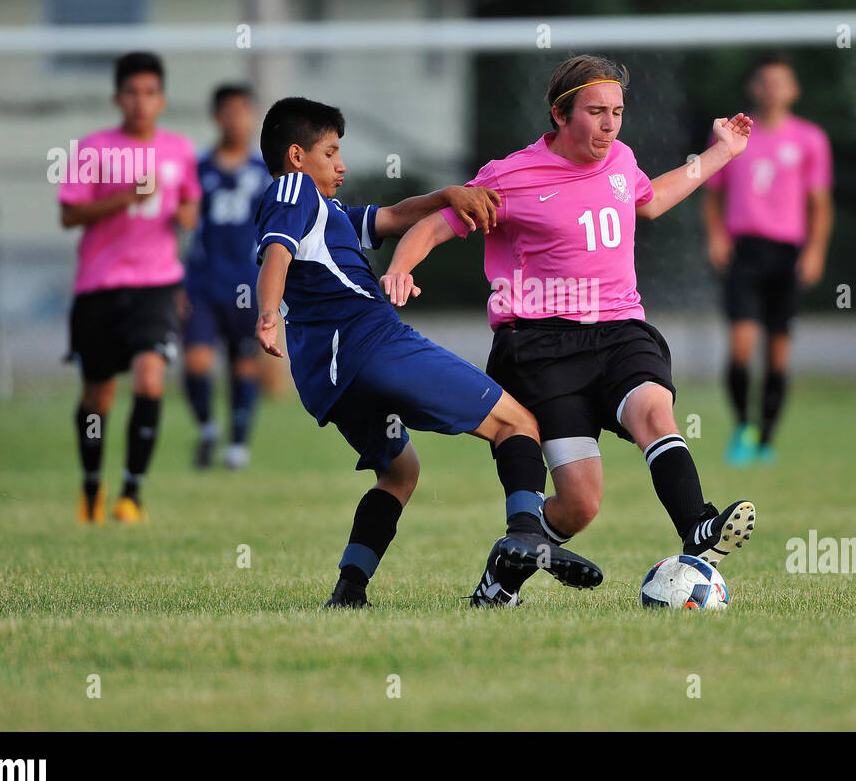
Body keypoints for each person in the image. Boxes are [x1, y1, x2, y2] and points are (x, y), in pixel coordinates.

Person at [382, 54, 756, 607]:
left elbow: (648, 202)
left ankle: (698, 524)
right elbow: (436, 225)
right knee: (580, 504)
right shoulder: (511, 176)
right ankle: (504, 574)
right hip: (542, 347)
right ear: (560, 114)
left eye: (618, 113)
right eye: (596, 112)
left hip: (620, 329)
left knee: (654, 409)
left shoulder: (621, 160)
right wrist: (400, 268)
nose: (609, 126)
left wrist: (722, 151)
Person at [252, 97, 603, 608]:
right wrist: (265, 313)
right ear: (297, 156)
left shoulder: (325, 211)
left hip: (327, 378)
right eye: (331, 152)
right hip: (370, 343)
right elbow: (276, 249)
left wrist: (449, 195)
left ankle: (350, 590)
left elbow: (392, 217)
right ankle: (527, 535)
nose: (342, 164)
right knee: (518, 423)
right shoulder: (291, 189)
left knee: (400, 472)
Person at [59, 51, 200, 524]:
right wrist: (124, 198)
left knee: (149, 377)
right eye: (132, 93)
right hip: (99, 287)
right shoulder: (93, 148)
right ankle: (91, 487)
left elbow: (190, 207)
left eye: (150, 93)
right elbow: (68, 214)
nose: (140, 102)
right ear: (118, 98)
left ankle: (131, 494)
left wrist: (185, 216)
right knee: (98, 397)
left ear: (161, 99)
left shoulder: (180, 150)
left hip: (157, 285)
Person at [703, 54, 833, 466]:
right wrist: (716, 237)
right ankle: (744, 426)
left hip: (787, 254)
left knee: (778, 352)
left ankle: (766, 441)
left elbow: (820, 204)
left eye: (782, 82)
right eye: (766, 82)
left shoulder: (810, 139)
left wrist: (814, 251)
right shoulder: (733, 135)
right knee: (742, 345)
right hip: (745, 252)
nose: (773, 89)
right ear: (754, 88)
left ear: (794, 90)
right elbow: (710, 192)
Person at [181, 84, 269, 470]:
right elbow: (178, 223)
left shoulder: (265, 173)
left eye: (244, 112)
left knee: (245, 364)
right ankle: (206, 428)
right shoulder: (196, 170)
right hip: (202, 282)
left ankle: (237, 446)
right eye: (229, 112)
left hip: (248, 283)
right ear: (217, 117)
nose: (237, 120)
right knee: (197, 362)